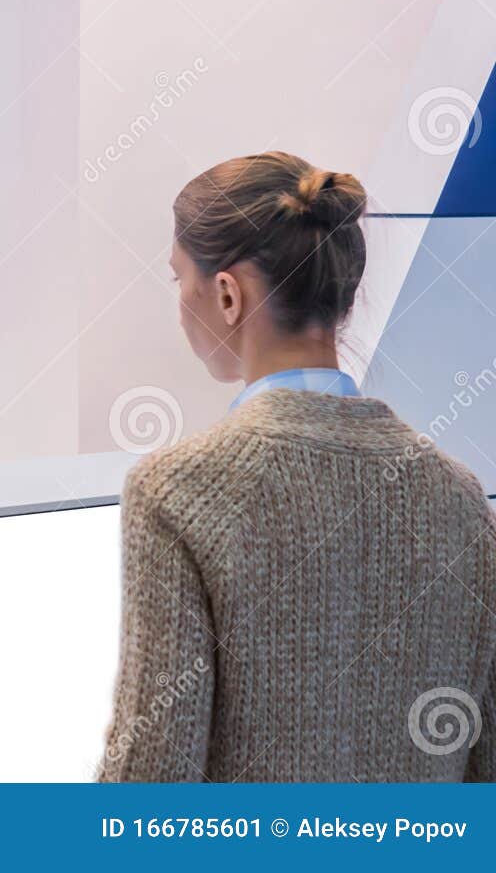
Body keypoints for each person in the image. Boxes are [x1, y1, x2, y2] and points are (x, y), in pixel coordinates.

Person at [98, 151, 496, 781]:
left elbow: (149, 788)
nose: (179, 305)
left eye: (179, 281)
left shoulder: (177, 492)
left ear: (228, 295)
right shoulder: (461, 500)